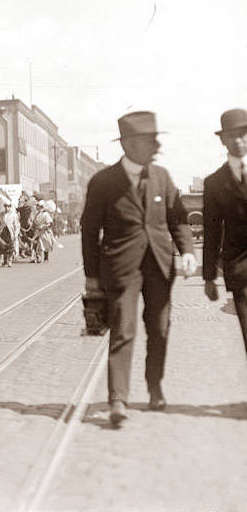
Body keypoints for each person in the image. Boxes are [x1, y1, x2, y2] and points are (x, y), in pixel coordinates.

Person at [81, 111, 196, 427]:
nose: (157, 146)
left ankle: (154, 385)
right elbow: (89, 232)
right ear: (129, 144)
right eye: (150, 141)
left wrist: (187, 250)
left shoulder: (162, 176)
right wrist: (92, 276)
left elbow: (178, 220)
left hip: (160, 265)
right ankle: (118, 398)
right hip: (121, 268)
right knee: (123, 328)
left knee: (159, 328)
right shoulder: (103, 182)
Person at [202, 108, 247, 357]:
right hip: (241, 270)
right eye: (232, 136)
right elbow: (211, 230)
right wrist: (209, 276)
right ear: (223, 140)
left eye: (243, 134)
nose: (238, 140)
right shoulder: (215, 183)